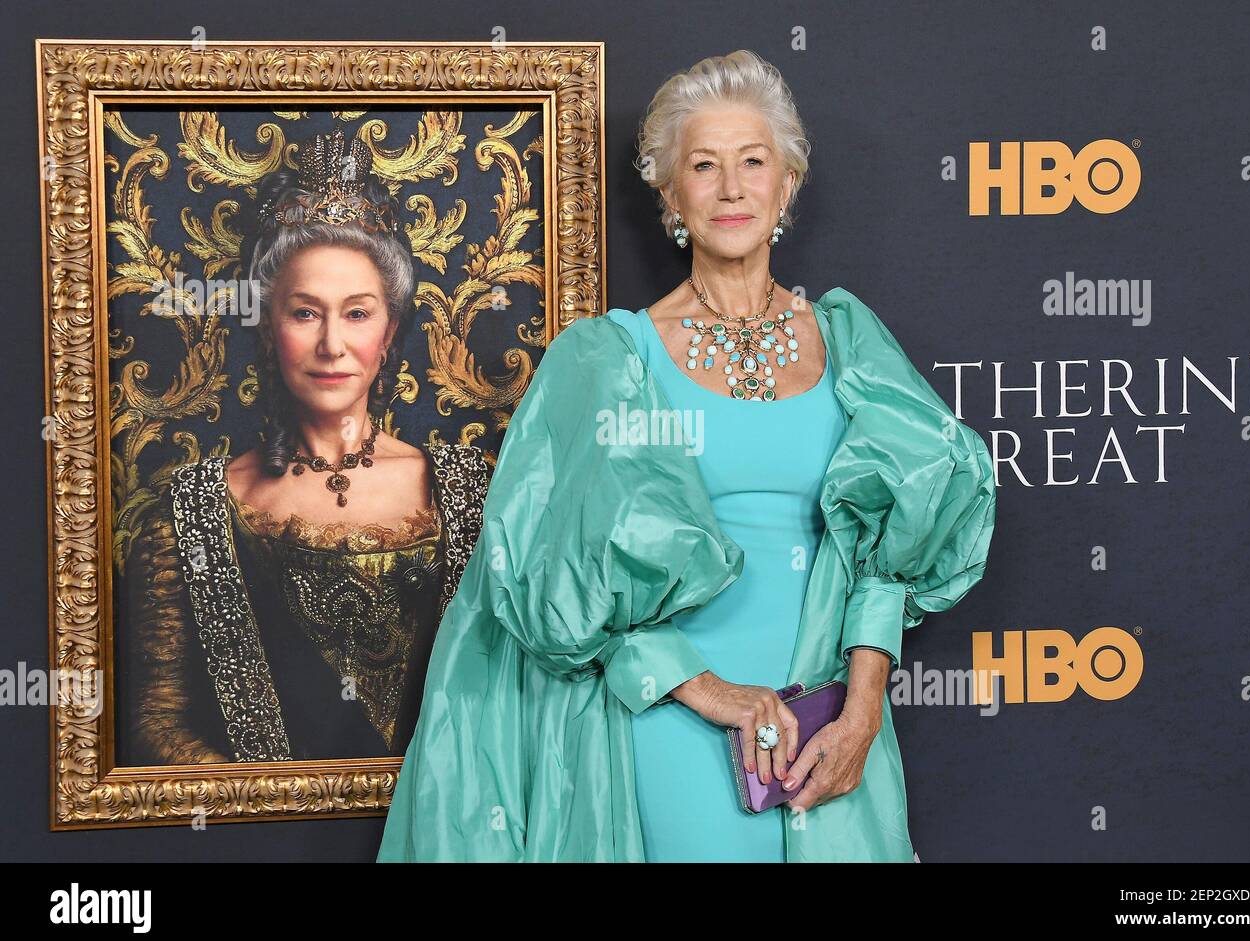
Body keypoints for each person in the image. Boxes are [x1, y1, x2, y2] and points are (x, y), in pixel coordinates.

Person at [378, 51, 996, 861]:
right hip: (674, 731)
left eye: (753, 162)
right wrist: (714, 696)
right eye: (704, 166)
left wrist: (864, 709)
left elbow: (891, 552)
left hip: (831, 726)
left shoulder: (848, 341)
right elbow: (559, 578)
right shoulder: (613, 359)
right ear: (671, 196)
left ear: (787, 185)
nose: (731, 187)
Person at [119, 126, 489, 764]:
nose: (332, 346)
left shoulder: (469, 492)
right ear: (267, 328)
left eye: (356, 313)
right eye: (304, 312)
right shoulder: (193, 515)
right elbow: (157, 726)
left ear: (390, 328)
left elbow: (525, 690)